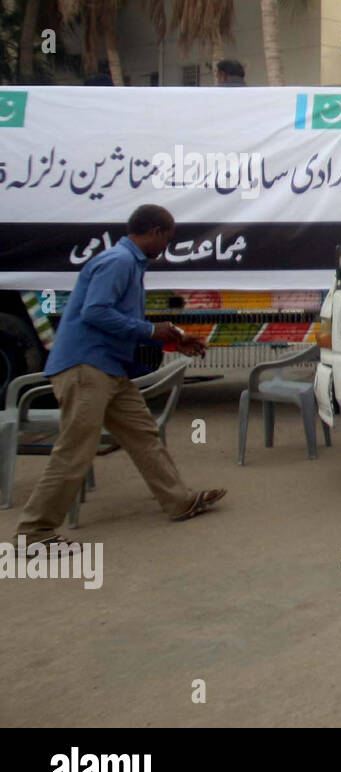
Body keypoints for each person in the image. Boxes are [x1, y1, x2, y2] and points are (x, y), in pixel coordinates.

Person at [13, 205, 226, 554]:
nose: (167, 247)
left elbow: (119, 319)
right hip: (87, 369)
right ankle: (33, 533)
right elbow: (96, 312)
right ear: (155, 232)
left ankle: (179, 501)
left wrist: (170, 338)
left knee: (143, 435)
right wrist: (150, 329)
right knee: (74, 451)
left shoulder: (127, 263)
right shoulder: (119, 262)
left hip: (108, 369)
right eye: (168, 239)